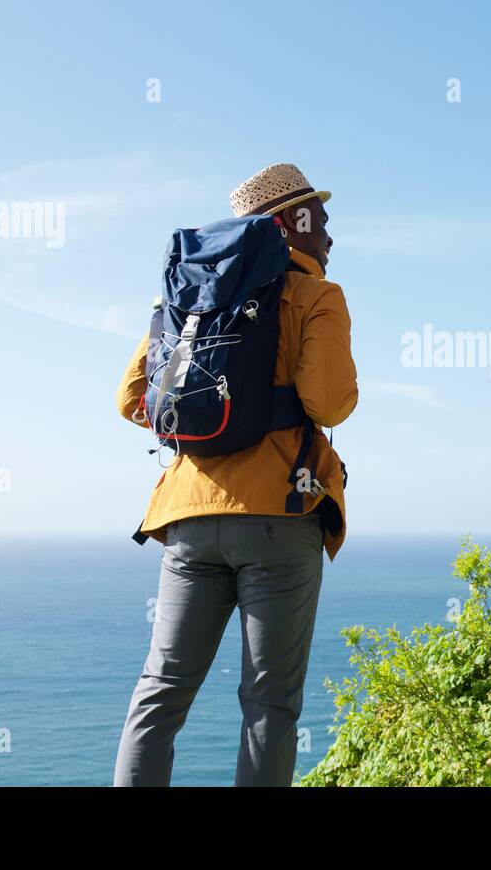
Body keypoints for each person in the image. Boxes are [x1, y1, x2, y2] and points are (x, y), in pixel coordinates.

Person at [112, 162, 357, 786]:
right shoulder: (316, 295)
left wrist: (209, 429)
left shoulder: (185, 297)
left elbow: (132, 400)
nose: (329, 237)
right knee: (269, 705)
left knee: (161, 692)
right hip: (279, 512)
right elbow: (328, 401)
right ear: (289, 223)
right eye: (320, 221)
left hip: (187, 516)